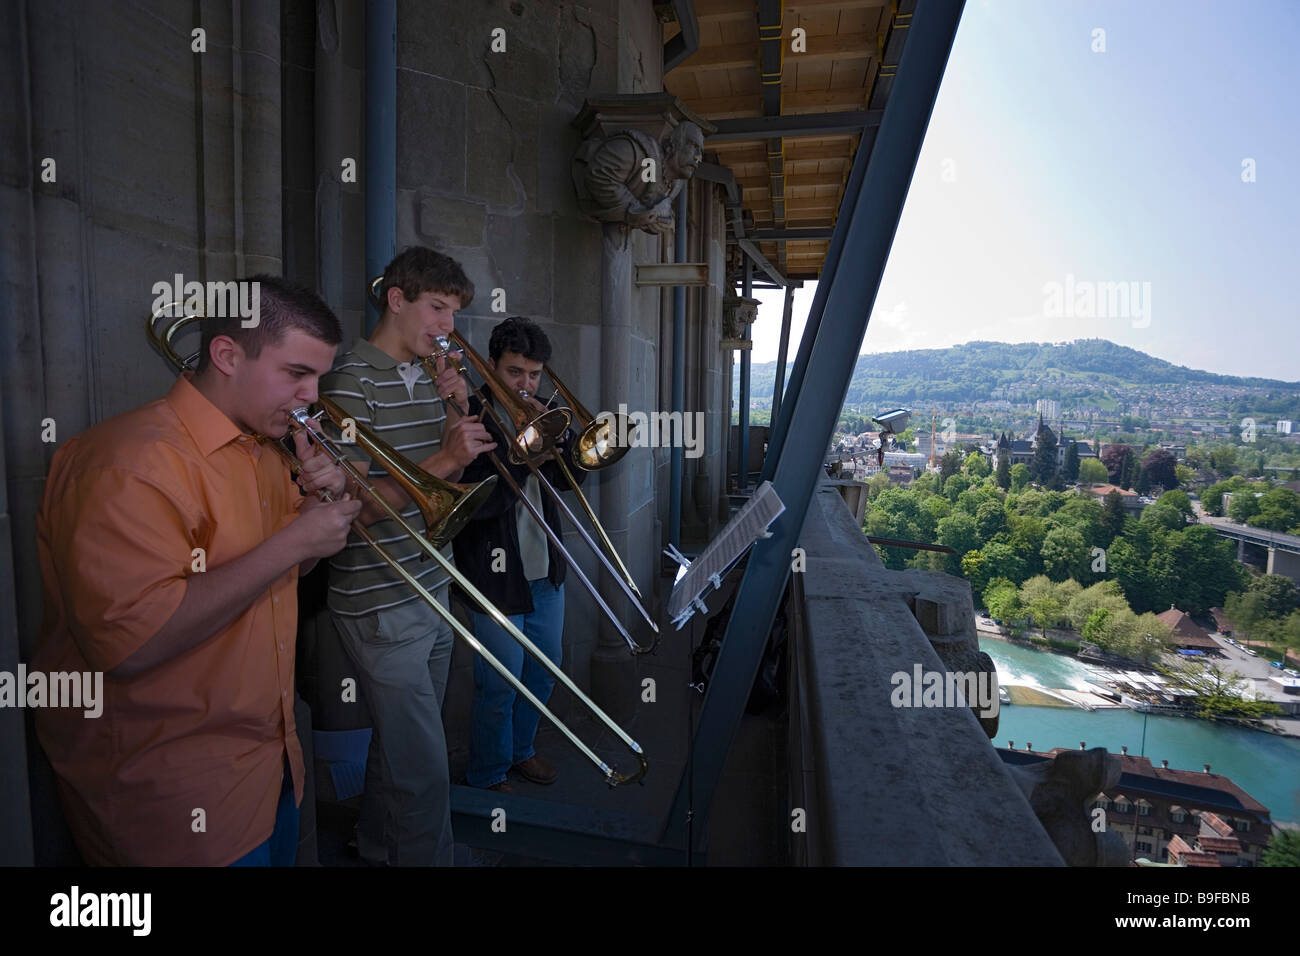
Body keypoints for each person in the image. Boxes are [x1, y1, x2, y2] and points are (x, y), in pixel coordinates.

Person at [33, 275, 360, 866]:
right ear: (228, 355)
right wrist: (294, 542)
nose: (313, 395)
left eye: (319, 377)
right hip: (174, 791)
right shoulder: (126, 463)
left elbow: (286, 570)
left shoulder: (262, 450)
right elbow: (132, 644)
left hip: (269, 762)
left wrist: (319, 516)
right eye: (296, 373)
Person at [320, 246, 495, 865]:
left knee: (403, 752)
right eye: (438, 308)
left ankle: (379, 847)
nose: (449, 325)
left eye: (454, 311)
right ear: (396, 300)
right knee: (424, 770)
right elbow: (355, 509)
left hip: (430, 582)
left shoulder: (427, 374)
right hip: (381, 600)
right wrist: (445, 458)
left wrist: (455, 404)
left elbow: (456, 471)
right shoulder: (347, 383)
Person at [451, 316, 586, 794]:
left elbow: (576, 482)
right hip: (492, 573)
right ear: (491, 366)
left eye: (533, 374)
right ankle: (487, 774)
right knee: (499, 684)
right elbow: (472, 504)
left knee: (545, 670)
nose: (526, 385)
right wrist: (519, 461)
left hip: (544, 567)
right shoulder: (469, 415)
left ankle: (521, 750)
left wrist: (566, 456)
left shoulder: (549, 409)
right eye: (514, 373)